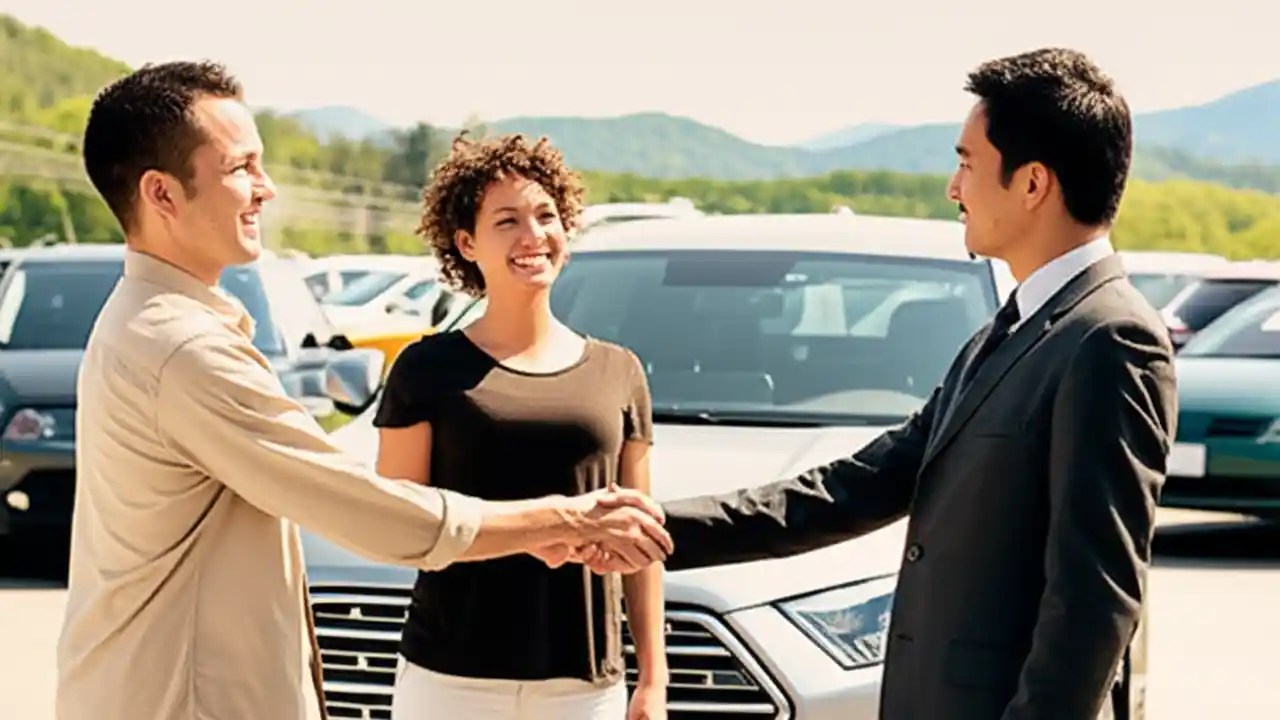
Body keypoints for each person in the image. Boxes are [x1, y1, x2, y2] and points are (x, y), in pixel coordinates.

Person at [57, 61, 670, 720]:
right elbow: (367, 510)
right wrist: (562, 518)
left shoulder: (150, 323)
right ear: (163, 194)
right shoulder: (180, 348)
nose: (265, 189)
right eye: (241, 168)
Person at [614, 48, 1179, 719]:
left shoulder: (1109, 340)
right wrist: (652, 527)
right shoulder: (1012, 328)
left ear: (1032, 184)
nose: (953, 187)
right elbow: (857, 486)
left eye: (967, 163)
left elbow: (1093, 599)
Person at [376, 132, 667, 720]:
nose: (533, 235)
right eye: (507, 221)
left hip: (583, 684)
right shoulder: (426, 369)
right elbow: (398, 528)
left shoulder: (619, 371)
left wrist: (653, 679)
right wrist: (537, 530)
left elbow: (641, 541)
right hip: (450, 678)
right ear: (466, 243)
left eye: (546, 215)